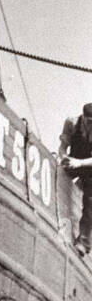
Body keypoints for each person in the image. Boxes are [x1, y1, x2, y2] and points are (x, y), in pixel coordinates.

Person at [61, 105, 92, 254]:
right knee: (60, 173)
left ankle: (84, 242)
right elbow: (63, 146)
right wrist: (63, 157)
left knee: (90, 201)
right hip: (75, 160)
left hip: (89, 167)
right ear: (83, 117)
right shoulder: (72, 123)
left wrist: (79, 163)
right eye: (89, 121)